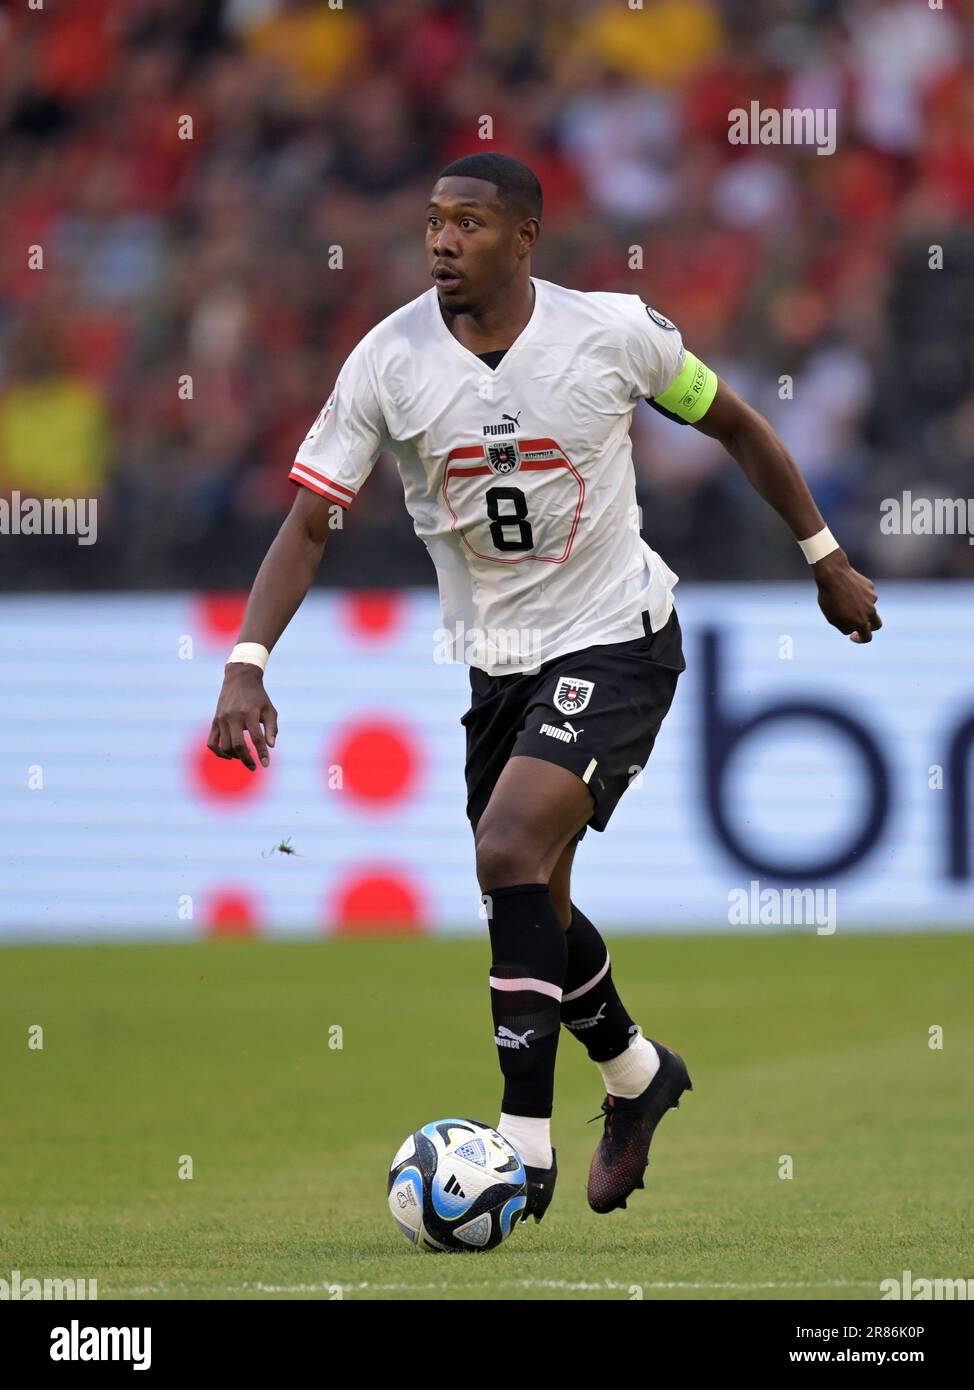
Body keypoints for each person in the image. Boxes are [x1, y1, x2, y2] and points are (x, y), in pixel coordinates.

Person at [207, 152, 881, 1225]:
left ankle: (520, 1145)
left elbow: (737, 425)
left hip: (619, 635)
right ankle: (634, 1072)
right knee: (529, 899)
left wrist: (822, 555)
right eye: (431, 222)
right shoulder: (387, 361)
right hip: (495, 663)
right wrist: (246, 663)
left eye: (466, 223)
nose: (440, 240)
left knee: (506, 847)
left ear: (523, 237)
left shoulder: (612, 332)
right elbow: (309, 520)